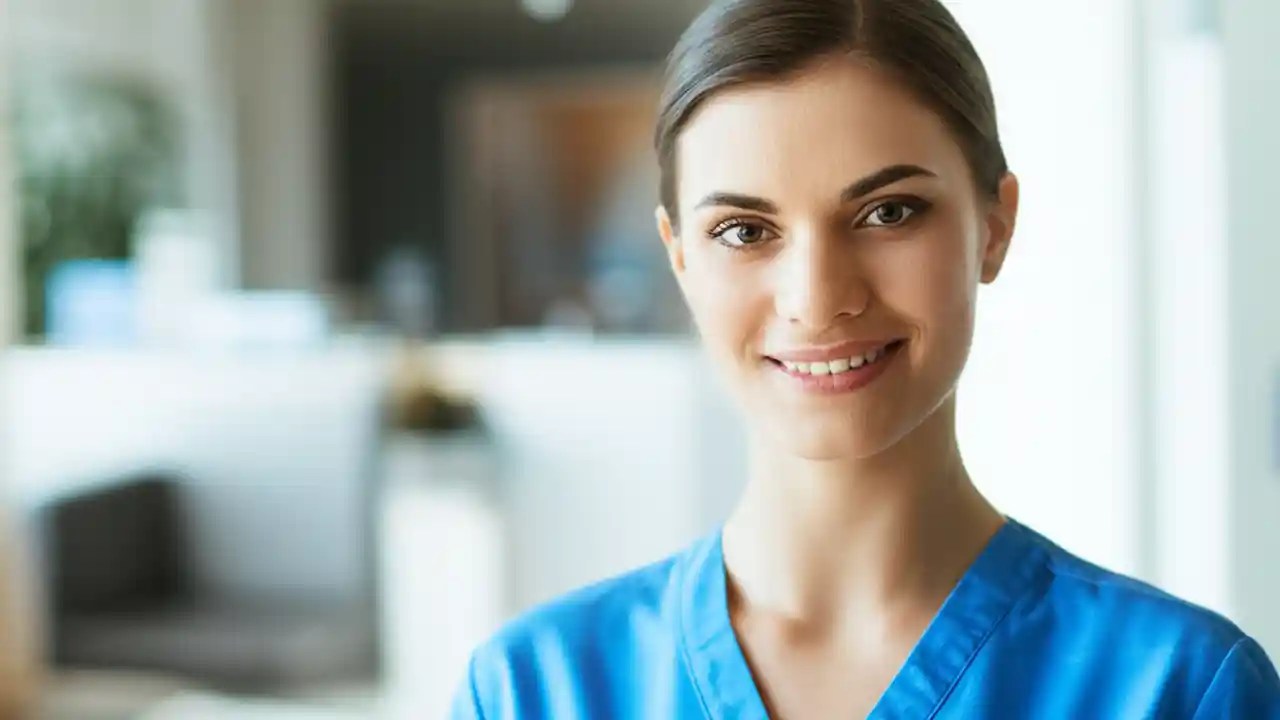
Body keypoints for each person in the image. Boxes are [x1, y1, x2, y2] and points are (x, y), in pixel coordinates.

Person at [450, 0, 1280, 717]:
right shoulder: (533, 693)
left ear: (995, 225)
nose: (818, 298)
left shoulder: (1176, 691)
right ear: (679, 257)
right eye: (745, 231)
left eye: (889, 213)